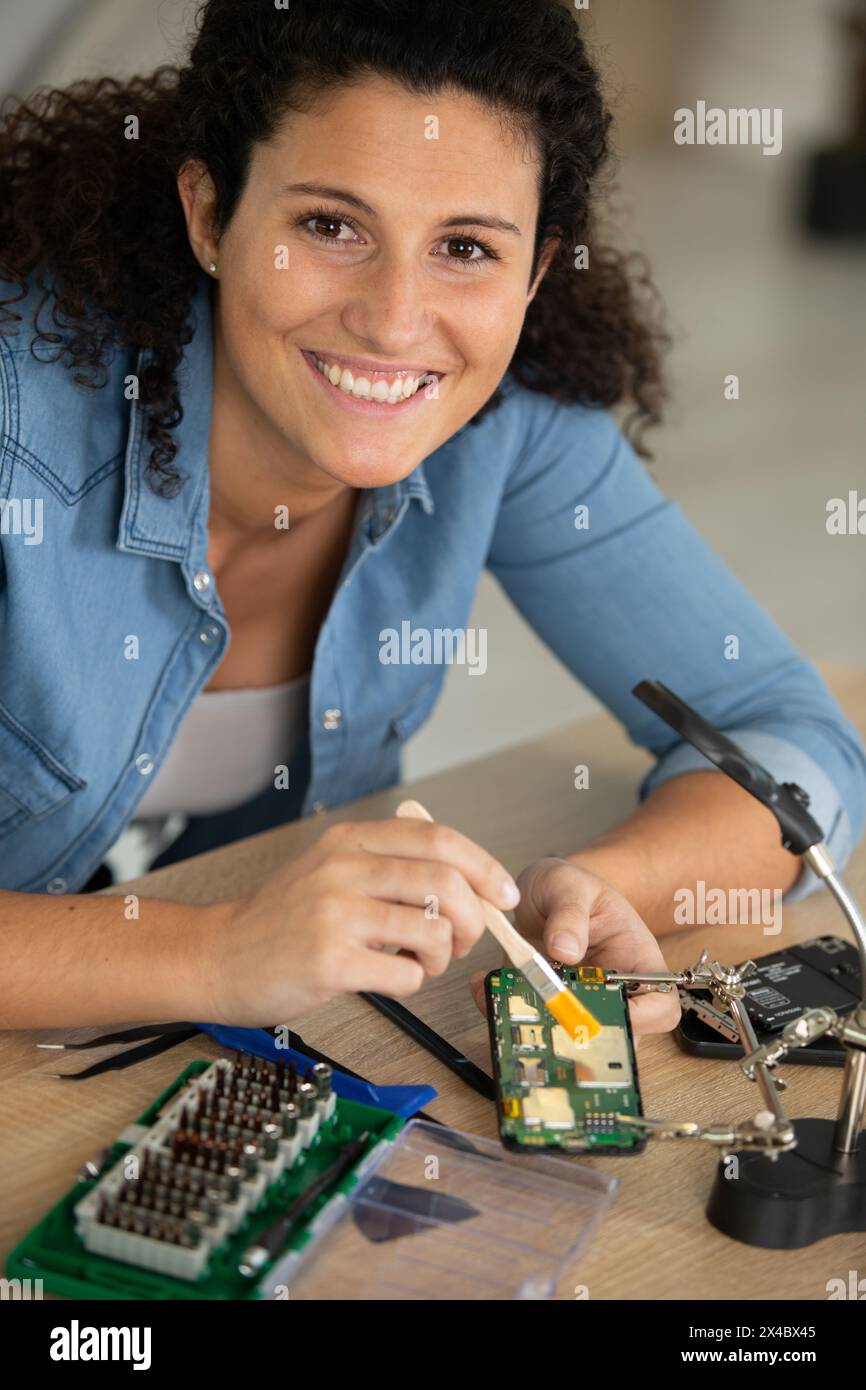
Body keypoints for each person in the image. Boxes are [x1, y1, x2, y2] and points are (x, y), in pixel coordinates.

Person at [0, 0, 862, 1037]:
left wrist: (599, 888)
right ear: (209, 214)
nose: (395, 319)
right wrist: (224, 951)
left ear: (536, 272)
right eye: (329, 226)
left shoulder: (506, 423)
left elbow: (785, 736)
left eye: (464, 247)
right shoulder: (19, 429)